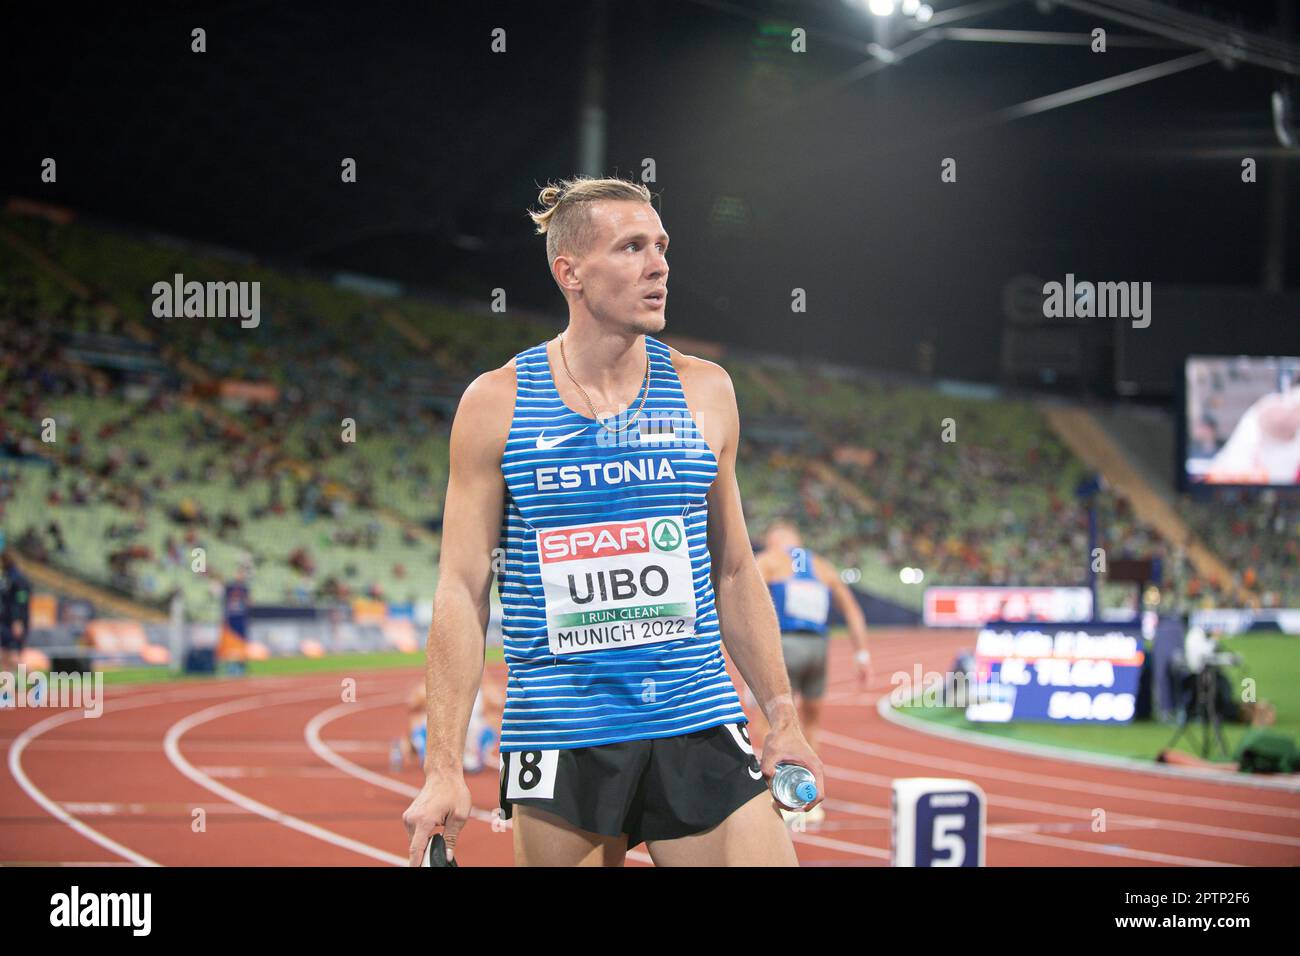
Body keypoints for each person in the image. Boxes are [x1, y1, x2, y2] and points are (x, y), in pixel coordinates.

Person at [402, 176, 820, 867]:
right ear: (570, 272)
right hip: (563, 732)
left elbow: (736, 568)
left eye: (661, 246)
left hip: (696, 718)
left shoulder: (705, 390)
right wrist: (444, 765)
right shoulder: (497, 403)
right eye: (631, 247)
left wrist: (783, 716)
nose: (658, 265)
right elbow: (461, 589)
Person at [746, 520, 870, 824]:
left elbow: (747, 600)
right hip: (818, 650)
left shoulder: (770, 560)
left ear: (775, 540)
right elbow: (852, 609)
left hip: (784, 646)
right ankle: (810, 796)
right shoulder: (821, 565)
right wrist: (862, 653)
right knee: (812, 723)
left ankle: (775, 790)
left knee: (770, 719)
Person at [0, 552, 31, 676]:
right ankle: (6, 692)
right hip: (5, 622)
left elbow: (21, 602)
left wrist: (18, 621)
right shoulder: (6, 577)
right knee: (4, 657)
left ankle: (37, 680)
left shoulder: (18, 579)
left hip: (14, 622)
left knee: (12, 657)